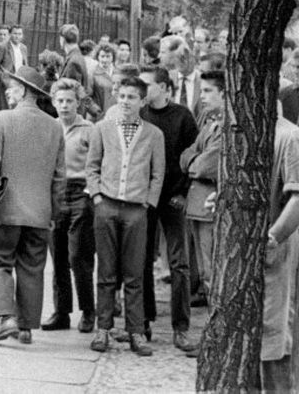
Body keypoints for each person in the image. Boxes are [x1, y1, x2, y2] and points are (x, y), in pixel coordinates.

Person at [0, 65, 65, 346]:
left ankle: (6, 317)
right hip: (39, 214)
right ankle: (26, 328)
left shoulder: (0, 120)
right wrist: (54, 212)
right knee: (32, 267)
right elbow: (60, 178)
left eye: (11, 87)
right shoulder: (55, 127)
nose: (8, 91)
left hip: (4, 212)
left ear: (23, 91)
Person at [86, 65, 165, 357]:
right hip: (106, 205)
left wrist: (147, 203)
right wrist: (97, 196)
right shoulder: (102, 128)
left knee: (134, 273)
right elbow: (92, 165)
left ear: (143, 101)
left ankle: (136, 331)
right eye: (121, 96)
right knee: (106, 272)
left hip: (136, 210)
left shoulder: (154, 134)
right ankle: (103, 328)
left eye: (132, 97)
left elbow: (158, 173)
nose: (125, 101)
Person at [137, 64, 199, 352]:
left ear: (162, 87)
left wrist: (184, 193)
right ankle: (143, 322)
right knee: (141, 260)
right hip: (145, 197)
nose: (141, 90)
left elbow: (193, 157)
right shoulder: (140, 114)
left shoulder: (183, 116)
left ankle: (181, 327)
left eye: (147, 85)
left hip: (173, 197)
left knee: (179, 263)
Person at [42, 79, 95, 334]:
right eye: (60, 101)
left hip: (80, 193)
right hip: (56, 194)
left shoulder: (89, 130)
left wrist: (89, 192)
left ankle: (88, 311)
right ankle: (61, 312)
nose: (64, 106)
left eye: (69, 101)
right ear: (53, 102)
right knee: (58, 255)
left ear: (78, 103)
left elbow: (98, 163)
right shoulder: (49, 128)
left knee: (78, 256)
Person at [259, 106, 299, 389]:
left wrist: (273, 238)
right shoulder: (251, 134)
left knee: (276, 328)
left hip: (279, 246)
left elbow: (297, 200)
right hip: (257, 250)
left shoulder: (291, 136)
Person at [179, 68, 223, 314]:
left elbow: (206, 166)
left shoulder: (226, 127)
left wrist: (193, 161)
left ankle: (216, 324)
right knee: (205, 270)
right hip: (197, 205)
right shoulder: (209, 122)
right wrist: (193, 160)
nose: (202, 96)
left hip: (210, 207)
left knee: (212, 271)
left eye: (207, 91)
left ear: (224, 93)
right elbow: (186, 154)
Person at [60, 24, 99, 120]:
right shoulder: (77, 56)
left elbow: (73, 92)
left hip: (72, 115)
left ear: (62, 40)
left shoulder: (73, 61)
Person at [92, 43, 118, 112]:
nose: (105, 60)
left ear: (113, 57)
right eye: (102, 56)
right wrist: (96, 111)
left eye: (108, 56)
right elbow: (87, 96)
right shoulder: (93, 73)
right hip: (101, 113)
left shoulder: (118, 72)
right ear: (97, 57)